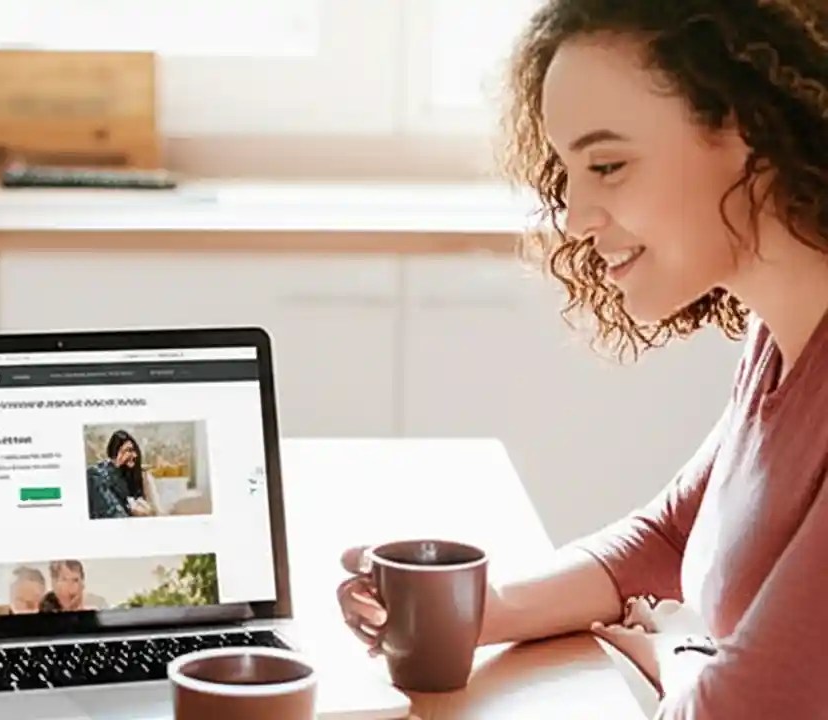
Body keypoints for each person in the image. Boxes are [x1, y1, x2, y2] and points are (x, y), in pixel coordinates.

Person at [338, 1, 828, 717]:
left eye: (608, 164)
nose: (572, 215)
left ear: (751, 126)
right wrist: (484, 610)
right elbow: (669, 535)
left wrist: (679, 658)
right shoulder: (781, 338)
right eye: (568, 172)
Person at [85, 430, 160, 519]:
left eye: (134, 450)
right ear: (115, 453)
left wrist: (149, 512)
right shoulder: (98, 476)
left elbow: (157, 511)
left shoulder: (141, 474)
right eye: (129, 450)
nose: (135, 455)